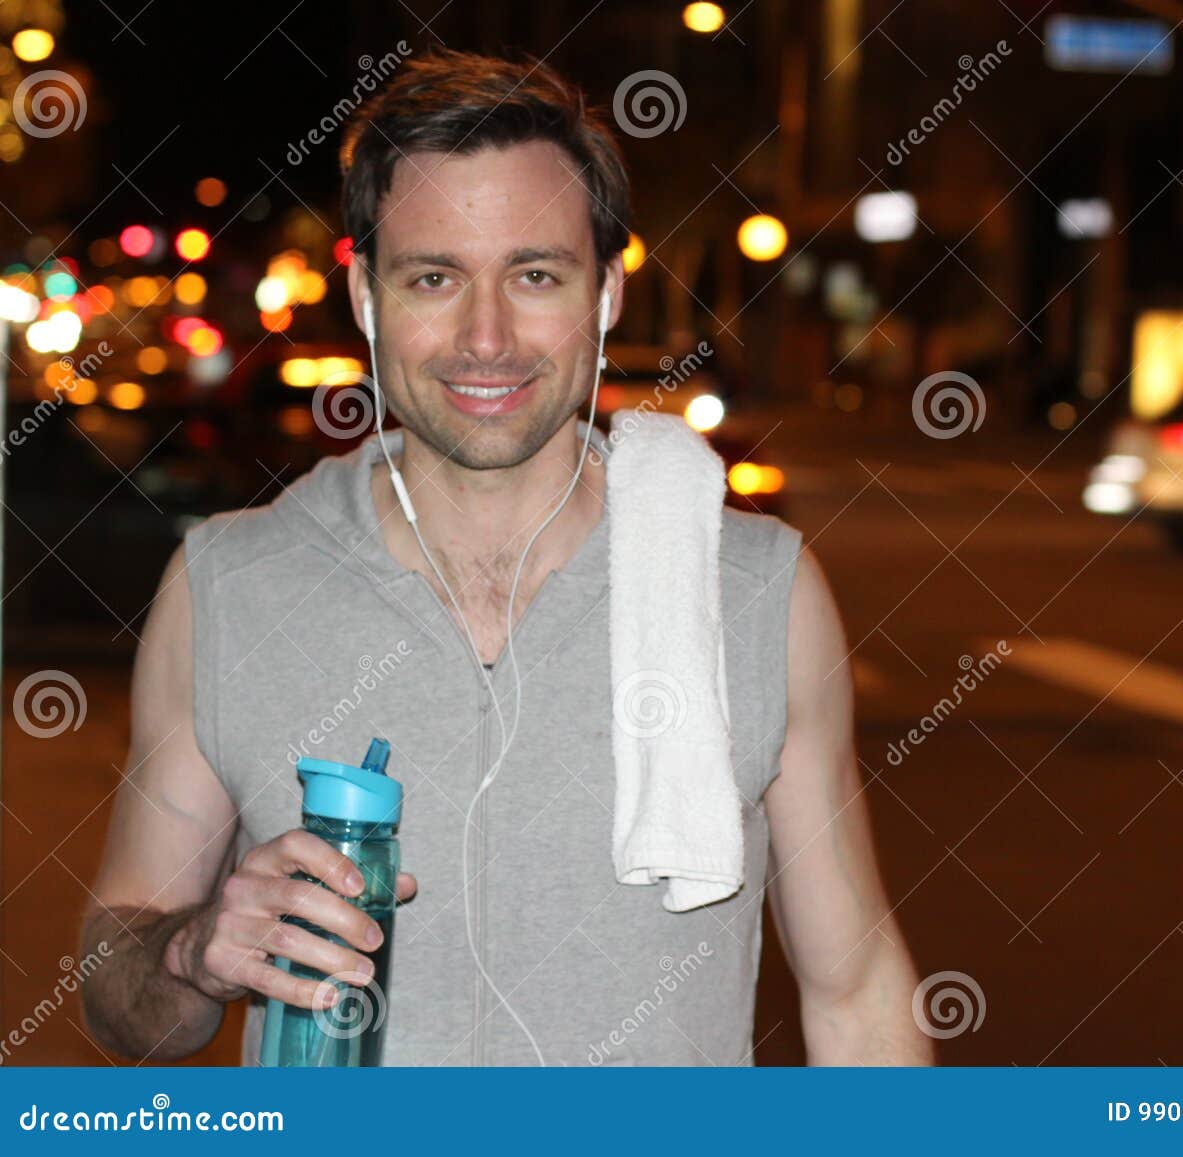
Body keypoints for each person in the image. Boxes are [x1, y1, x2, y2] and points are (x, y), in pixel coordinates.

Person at [79, 48, 930, 1066]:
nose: (487, 338)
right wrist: (191, 953)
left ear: (608, 293)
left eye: (535, 275)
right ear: (364, 297)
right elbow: (115, 1000)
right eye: (434, 277)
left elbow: (857, 994)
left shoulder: (750, 589)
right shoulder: (229, 585)